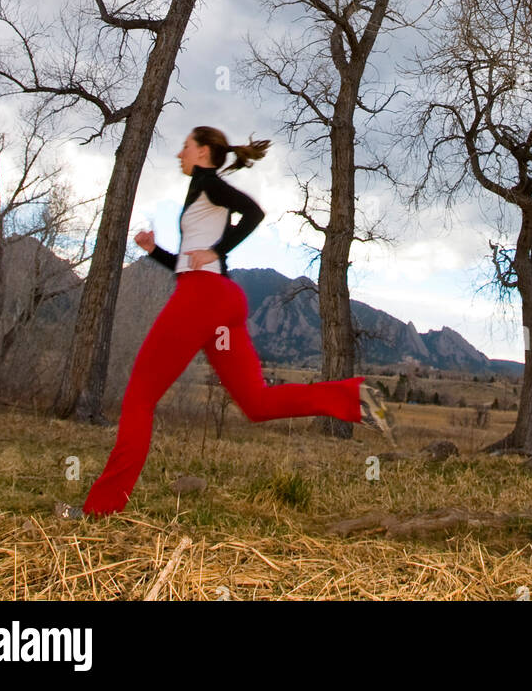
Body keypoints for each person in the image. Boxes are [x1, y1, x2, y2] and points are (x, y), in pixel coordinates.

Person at [55, 125, 395, 520]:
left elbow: (252, 214)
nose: (179, 154)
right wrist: (155, 251)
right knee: (256, 402)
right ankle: (356, 398)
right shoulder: (202, 192)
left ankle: (99, 510)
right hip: (221, 301)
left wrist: (215, 248)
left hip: (202, 299)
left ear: (202, 152)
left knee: (139, 399)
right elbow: (192, 261)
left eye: (185, 146)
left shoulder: (207, 183)